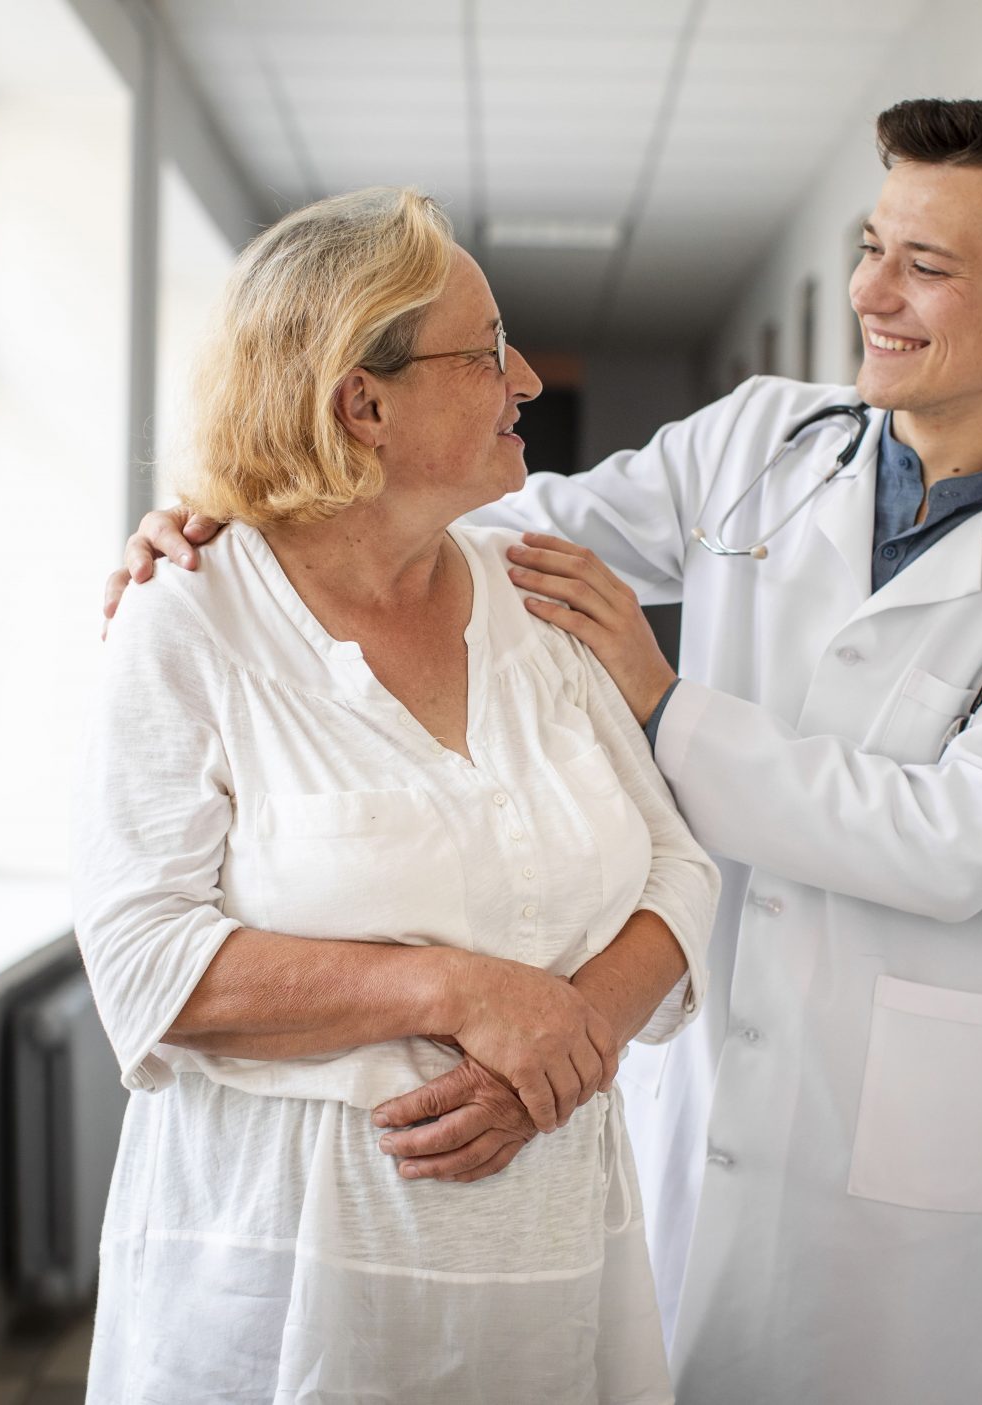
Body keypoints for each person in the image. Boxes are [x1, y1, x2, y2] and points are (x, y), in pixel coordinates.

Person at [107, 100, 982, 1403]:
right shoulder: (762, 441)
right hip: (685, 1079)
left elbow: (960, 839)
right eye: (872, 244)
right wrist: (237, 518)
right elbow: (489, 523)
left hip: (898, 1122)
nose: (871, 292)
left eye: (927, 266)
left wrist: (664, 702)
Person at [74, 186, 718, 1405]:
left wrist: (560, 1049)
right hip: (288, 1281)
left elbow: (679, 868)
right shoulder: (185, 617)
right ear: (361, 402)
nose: (525, 377)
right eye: (484, 353)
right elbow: (144, 959)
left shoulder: (536, 595)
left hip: (550, 1264)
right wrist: (461, 992)